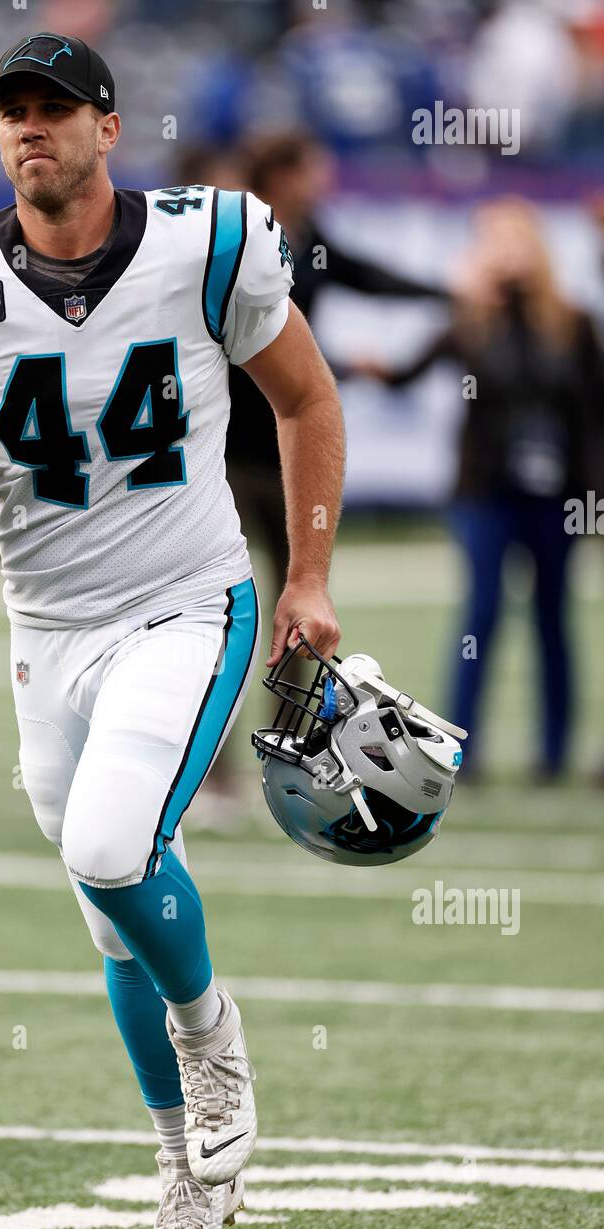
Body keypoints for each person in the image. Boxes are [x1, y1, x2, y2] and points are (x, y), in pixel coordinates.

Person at [0, 32, 344, 1229]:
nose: (32, 129)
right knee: (111, 914)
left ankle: (212, 1035)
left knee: (112, 846)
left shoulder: (205, 241)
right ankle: (181, 1169)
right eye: (13, 111)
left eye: (55, 110)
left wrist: (314, 574)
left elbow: (303, 399)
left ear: (107, 129)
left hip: (185, 602)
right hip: (45, 631)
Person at [198, 131, 446, 822]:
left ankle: (279, 755)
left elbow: (367, 275)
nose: (325, 178)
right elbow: (246, 340)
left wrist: (444, 290)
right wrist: (338, 355)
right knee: (218, 614)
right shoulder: (235, 238)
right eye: (313, 167)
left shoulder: (313, 240)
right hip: (221, 456)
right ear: (284, 172)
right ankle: (208, 770)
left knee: (297, 615)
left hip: (287, 459)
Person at [352, 197, 604, 777]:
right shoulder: (469, 323)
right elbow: (408, 373)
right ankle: (459, 747)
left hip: (556, 496)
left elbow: (591, 414)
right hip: (484, 492)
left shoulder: (572, 323)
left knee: (553, 617)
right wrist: (374, 370)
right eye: (494, 240)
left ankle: (555, 754)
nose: (507, 252)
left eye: (516, 239)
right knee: (482, 612)